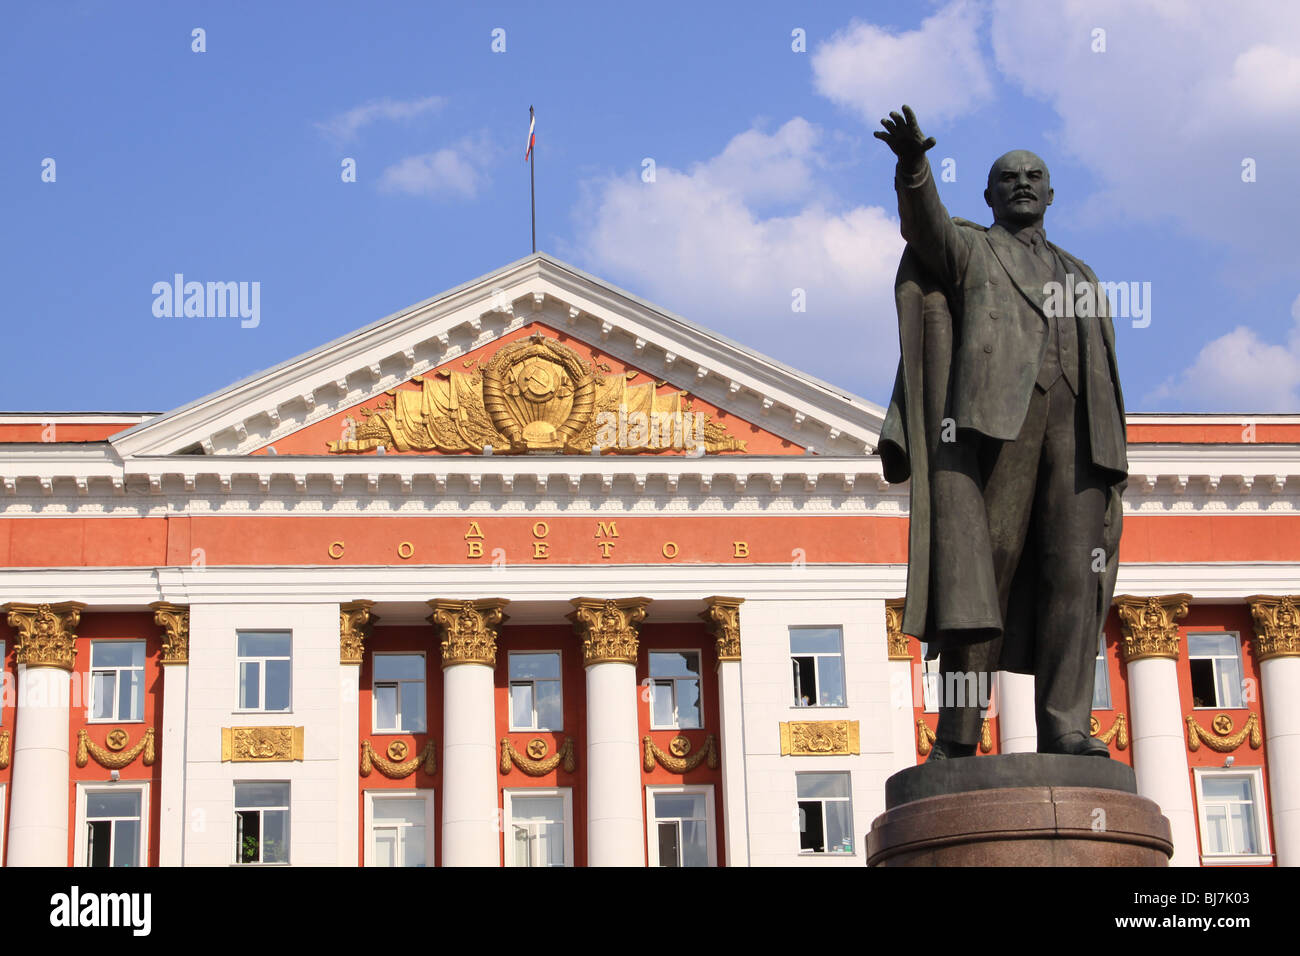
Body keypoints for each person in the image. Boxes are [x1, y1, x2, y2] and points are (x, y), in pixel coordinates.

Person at [875, 106, 1127, 759]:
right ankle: (958, 735)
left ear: (1050, 192)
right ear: (988, 195)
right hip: (998, 430)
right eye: (1008, 177)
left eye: (1034, 176)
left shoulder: (1082, 274)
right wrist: (914, 167)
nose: (1022, 183)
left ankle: (1066, 726)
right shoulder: (974, 250)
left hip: (1081, 436)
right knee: (978, 580)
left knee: (1077, 576)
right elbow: (926, 230)